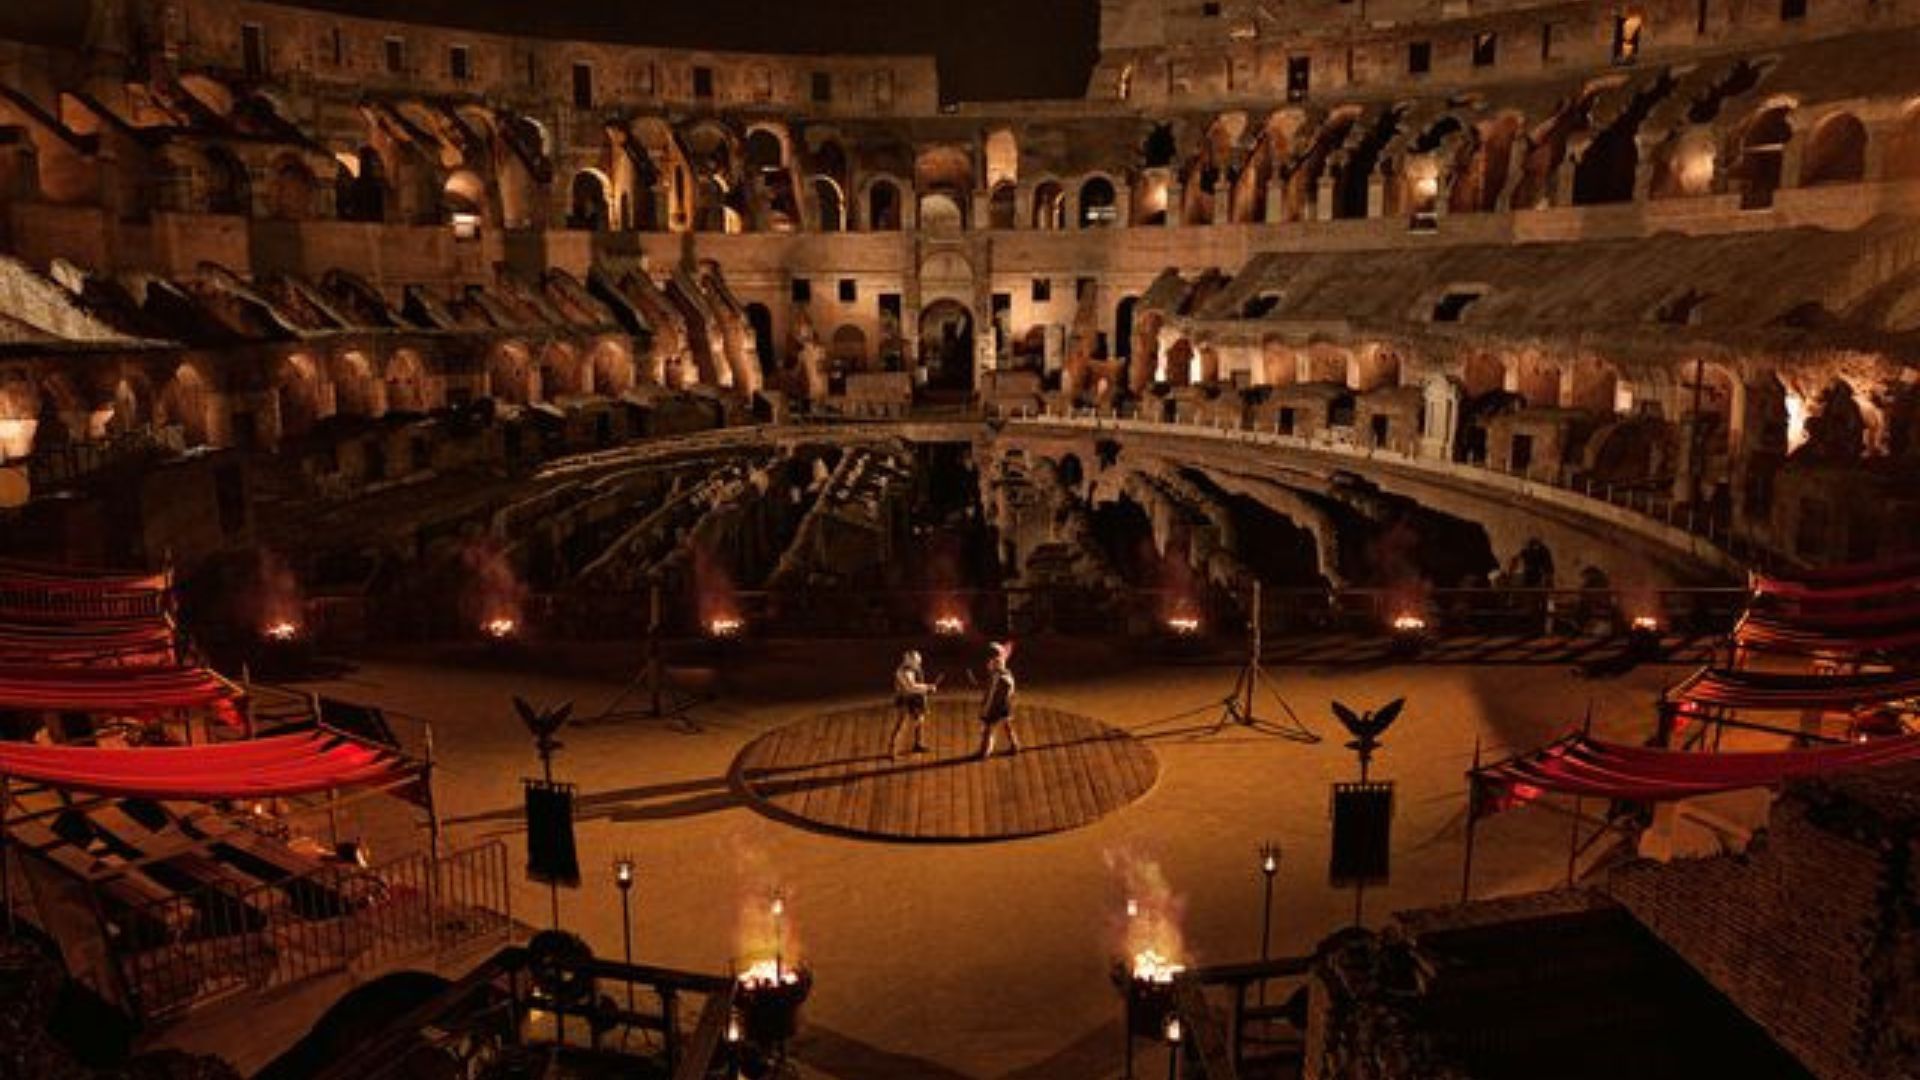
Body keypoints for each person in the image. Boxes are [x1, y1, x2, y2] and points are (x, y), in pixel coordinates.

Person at [974, 641, 1021, 759]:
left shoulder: (998, 674)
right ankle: (1015, 745)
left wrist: (985, 709)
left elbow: (992, 694)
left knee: (989, 728)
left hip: (997, 705)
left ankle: (985, 752)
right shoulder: (1000, 666)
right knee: (1007, 724)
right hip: (1006, 702)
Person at [890, 650, 936, 756]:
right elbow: (911, 687)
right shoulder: (902, 673)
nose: (917, 666)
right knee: (902, 723)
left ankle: (918, 743)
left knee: (919, 720)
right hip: (906, 699)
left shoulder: (913, 669)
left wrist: (925, 689)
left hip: (916, 698)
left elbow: (917, 684)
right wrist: (927, 688)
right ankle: (892, 748)